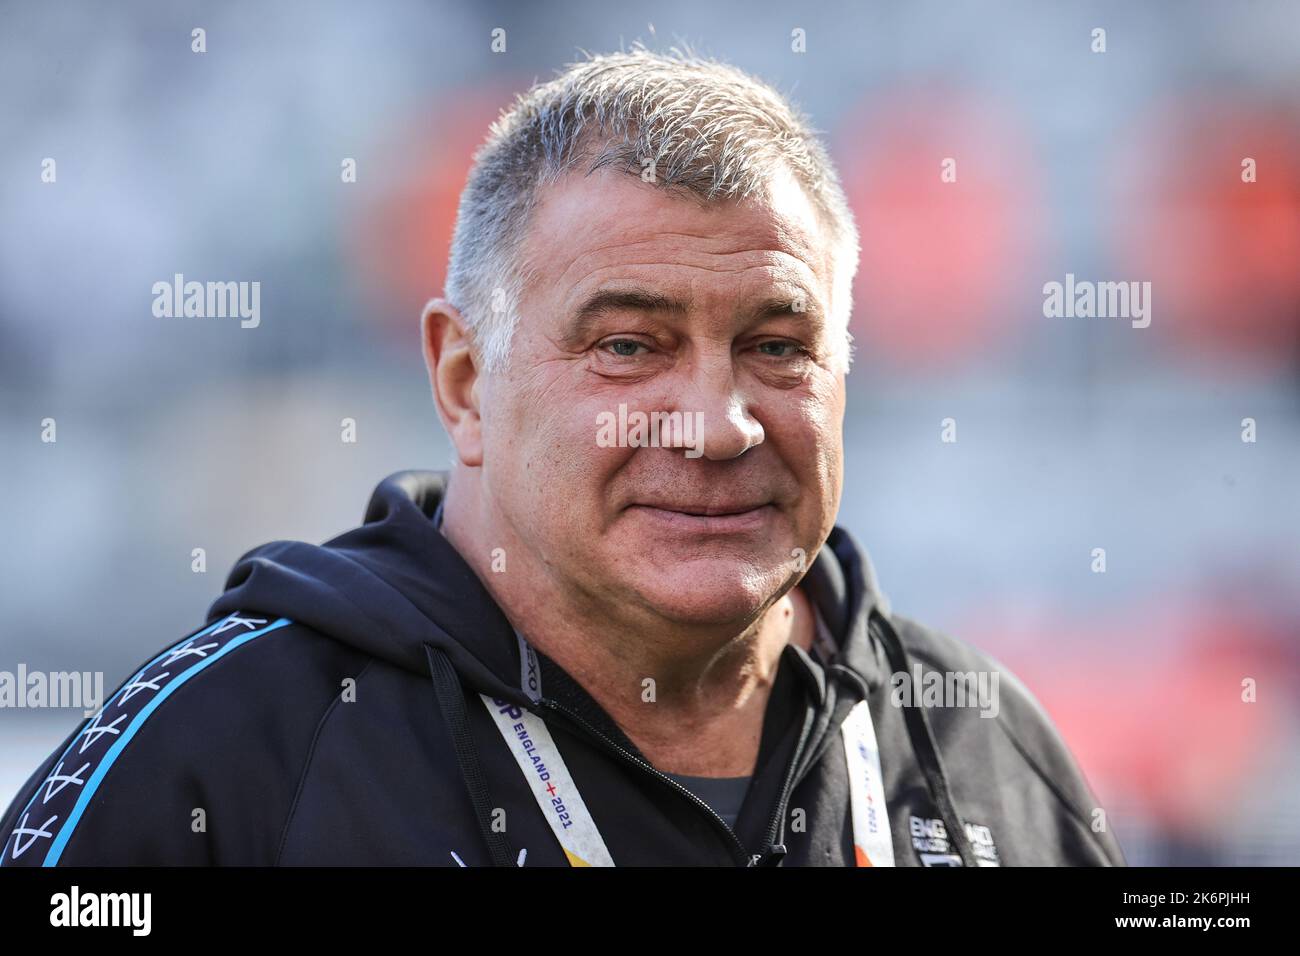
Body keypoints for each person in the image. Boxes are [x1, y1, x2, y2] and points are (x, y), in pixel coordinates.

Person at [0, 46, 1124, 867]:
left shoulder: (983, 749)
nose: (719, 423)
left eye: (777, 346)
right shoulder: (218, 754)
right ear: (463, 380)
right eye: (629, 345)